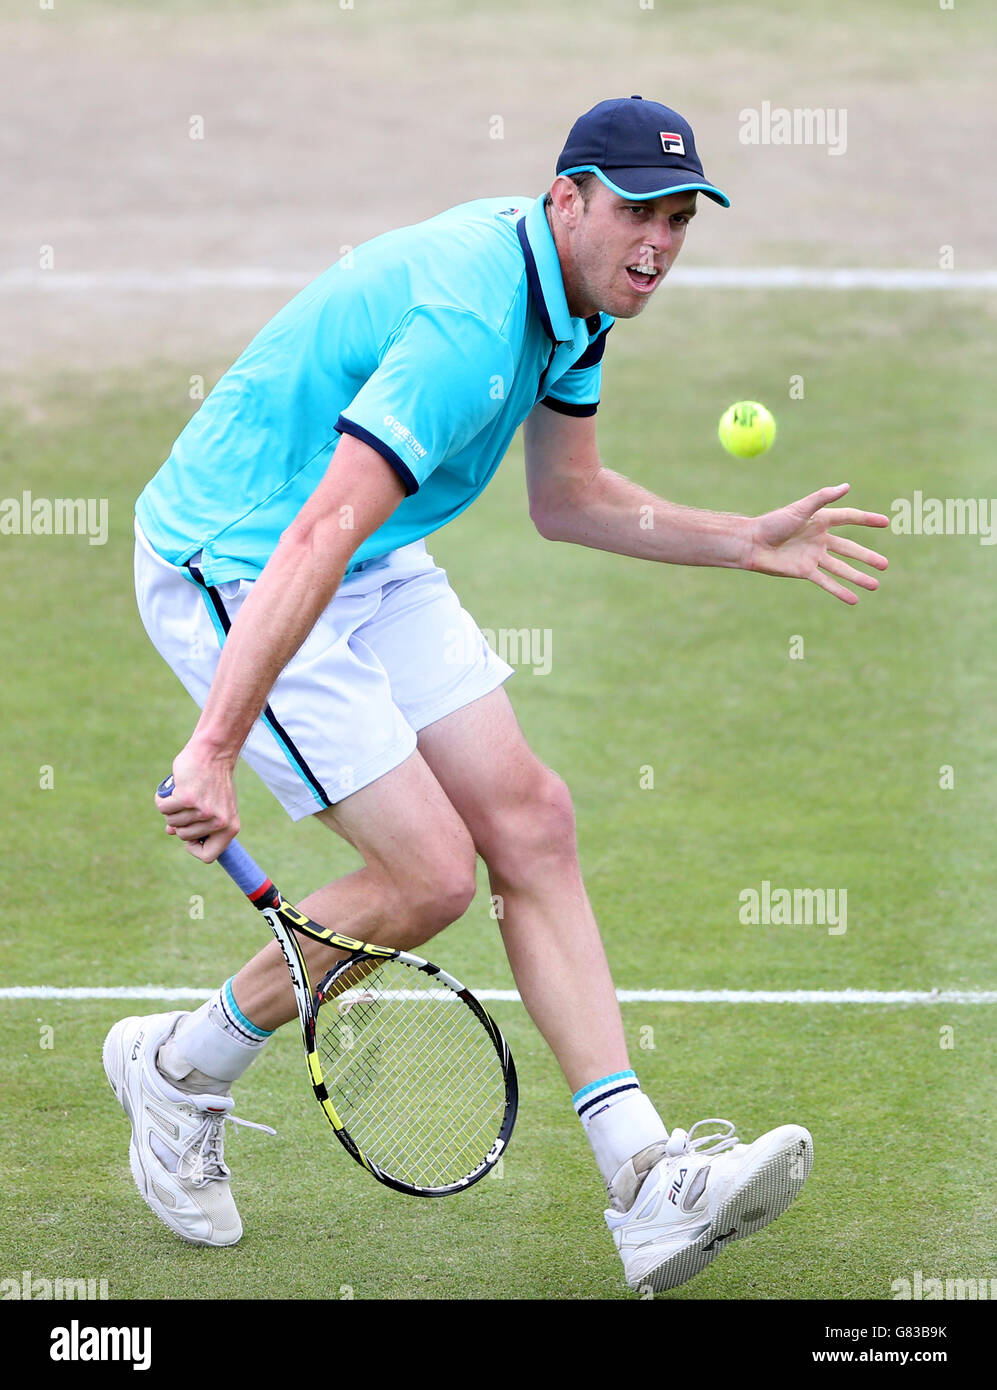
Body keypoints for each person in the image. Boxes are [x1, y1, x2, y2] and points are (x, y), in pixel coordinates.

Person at [103, 96, 888, 1295]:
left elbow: (565, 497)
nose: (659, 243)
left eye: (679, 219)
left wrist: (741, 539)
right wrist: (213, 745)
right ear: (565, 198)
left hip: (360, 553)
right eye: (638, 212)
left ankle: (644, 1181)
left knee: (532, 819)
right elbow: (314, 531)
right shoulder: (469, 321)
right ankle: (180, 1066)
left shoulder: (577, 298)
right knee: (427, 878)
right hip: (243, 556)